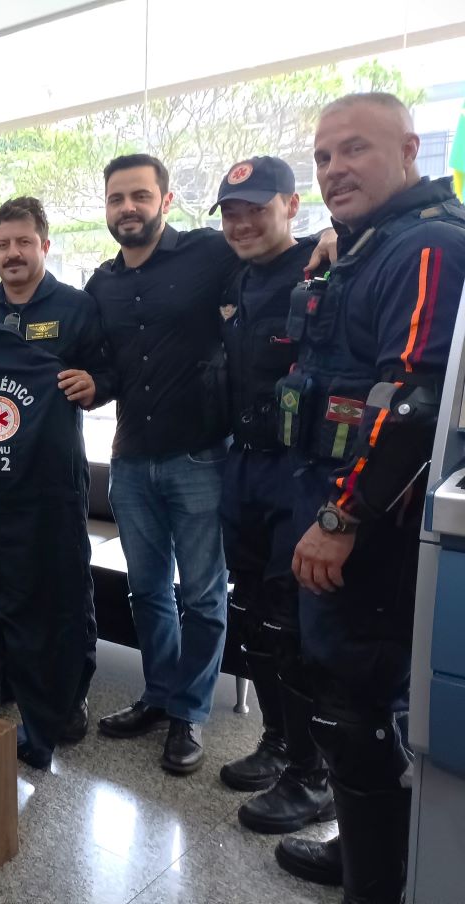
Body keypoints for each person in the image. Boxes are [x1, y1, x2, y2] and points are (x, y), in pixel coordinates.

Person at [273, 92, 465, 903]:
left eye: (354, 150)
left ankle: (377, 885)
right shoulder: (366, 244)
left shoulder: (426, 246)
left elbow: (413, 402)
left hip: (371, 524)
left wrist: (339, 518)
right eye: (322, 157)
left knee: (358, 708)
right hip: (331, 500)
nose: (333, 170)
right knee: (340, 696)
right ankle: (363, 855)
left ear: (410, 148)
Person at [87, 154, 240, 775]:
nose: (128, 207)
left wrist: (331, 237)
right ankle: (157, 694)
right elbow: (99, 369)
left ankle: (189, 714)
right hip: (131, 459)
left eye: (140, 196)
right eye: (117, 198)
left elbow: (273, 248)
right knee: (148, 590)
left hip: (201, 455)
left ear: (166, 200)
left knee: (203, 594)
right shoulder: (101, 284)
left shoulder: (209, 253)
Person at [208, 158, 335, 834]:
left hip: (299, 473)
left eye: (256, 207)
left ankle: (314, 774)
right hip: (243, 467)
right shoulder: (234, 280)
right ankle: (278, 741)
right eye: (231, 211)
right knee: (252, 615)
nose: (242, 222)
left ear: (291, 204)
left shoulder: (324, 270)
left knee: (295, 624)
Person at [0, 196, 112, 738]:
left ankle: (69, 697)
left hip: (54, 478)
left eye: (24, 242)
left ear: (44, 246)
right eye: (3, 245)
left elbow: (106, 371)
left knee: (63, 588)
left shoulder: (76, 307)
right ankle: (4, 682)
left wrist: (96, 387)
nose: (13, 253)